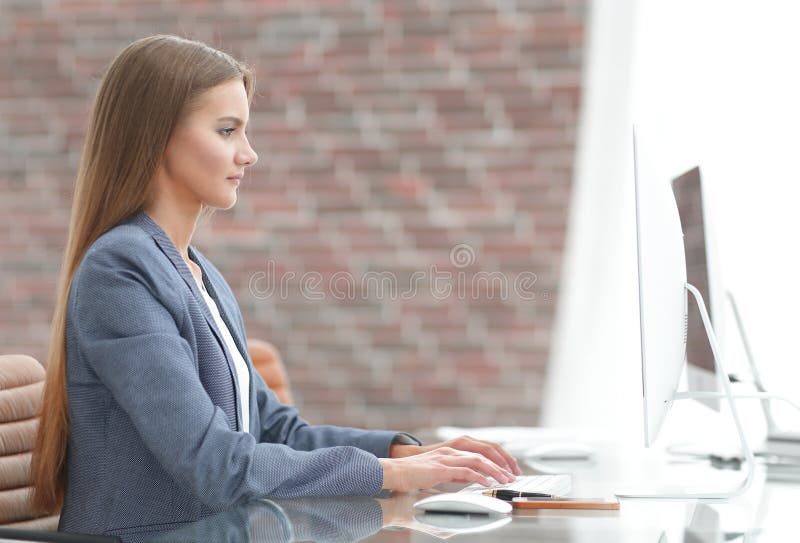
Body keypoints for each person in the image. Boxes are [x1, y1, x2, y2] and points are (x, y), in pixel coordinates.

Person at [30, 35, 521, 536]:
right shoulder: (120, 272)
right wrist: (387, 474)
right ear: (155, 135)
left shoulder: (196, 272)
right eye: (227, 131)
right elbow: (214, 462)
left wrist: (407, 454)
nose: (249, 154)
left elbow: (275, 429)